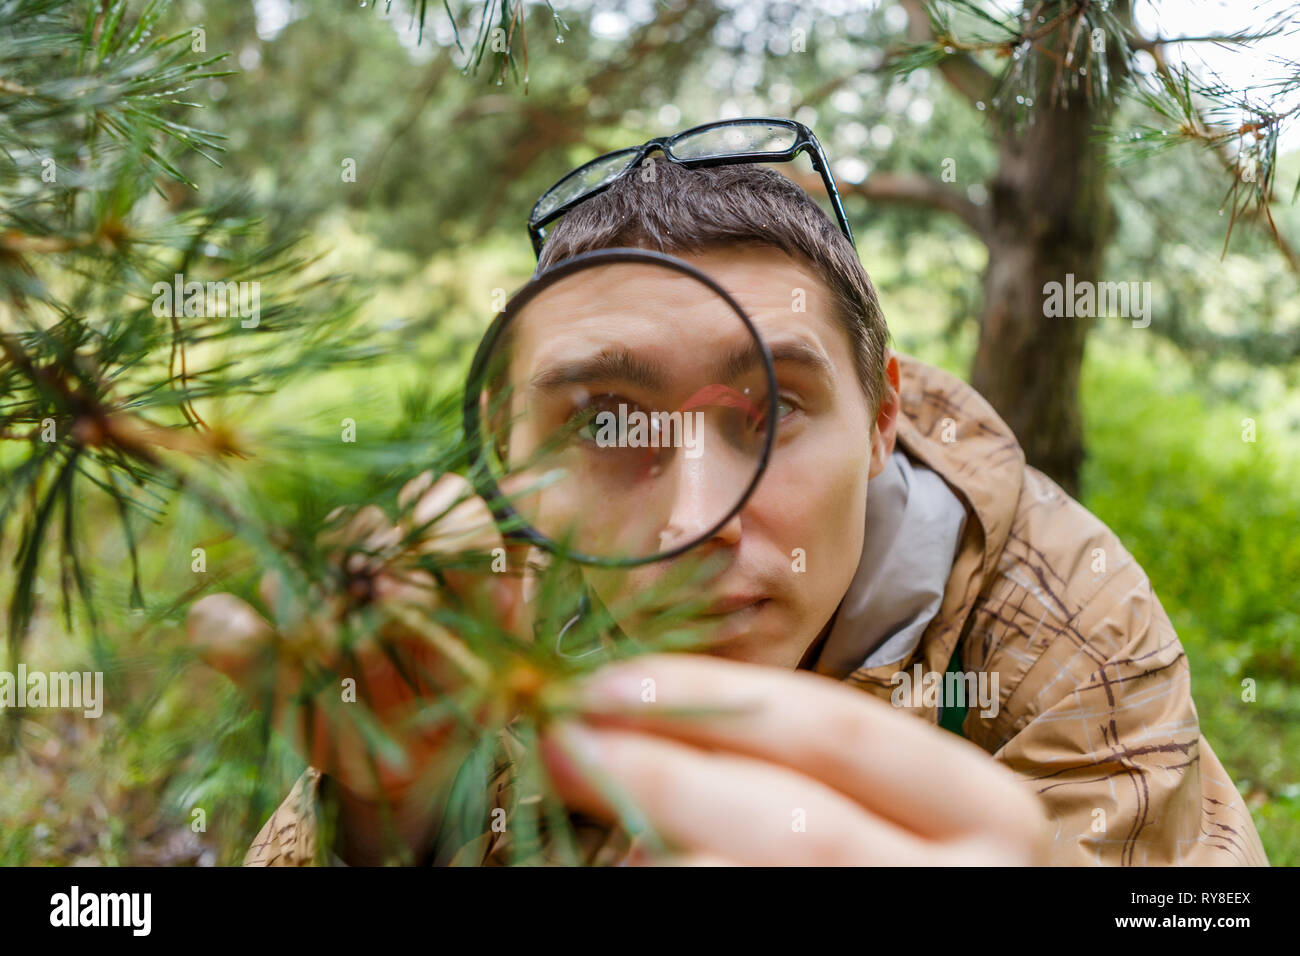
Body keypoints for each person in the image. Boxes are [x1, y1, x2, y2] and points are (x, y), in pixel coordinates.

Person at [188, 123, 1268, 867]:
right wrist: (396, 828)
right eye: (607, 423)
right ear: (503, 453)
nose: (692, 521)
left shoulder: (1065, 620)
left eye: (771, 411)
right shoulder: (465, 620)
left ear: (883, 415)